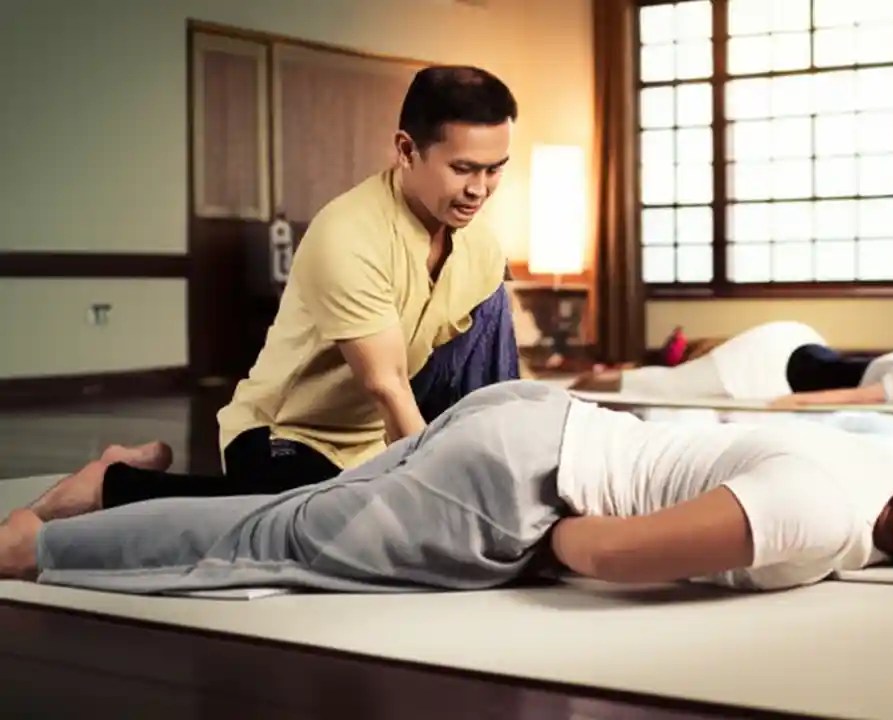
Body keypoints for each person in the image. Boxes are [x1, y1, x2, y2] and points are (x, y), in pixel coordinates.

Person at [0, 382, 893, 595]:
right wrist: (536, 551)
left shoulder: (866, 453)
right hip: (519, 481)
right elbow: (600, 555)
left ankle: (101, 497)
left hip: (524, 416)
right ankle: (32, 549)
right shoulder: (826, 510)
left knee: (291, 518)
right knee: (276, 549)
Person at [25, 66, 523, 523]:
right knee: (298, 521)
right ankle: (111, 484)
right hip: (291, 433)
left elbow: (485, 383)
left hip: (375, 438)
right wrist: (438, 492)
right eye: (463, 169)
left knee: (490, 307)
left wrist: (503, 475)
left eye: (494, 169)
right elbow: (387, 386)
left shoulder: (479, 245)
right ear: (407, 150)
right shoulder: (349, 233)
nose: (480, 189)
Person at [571, 321, 893, 408]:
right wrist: (791, 405)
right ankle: (587, 381)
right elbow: (853, 396)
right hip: (775, 361)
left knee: (677, 381)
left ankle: (604, 376)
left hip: (804, 347)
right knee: (669, 386)